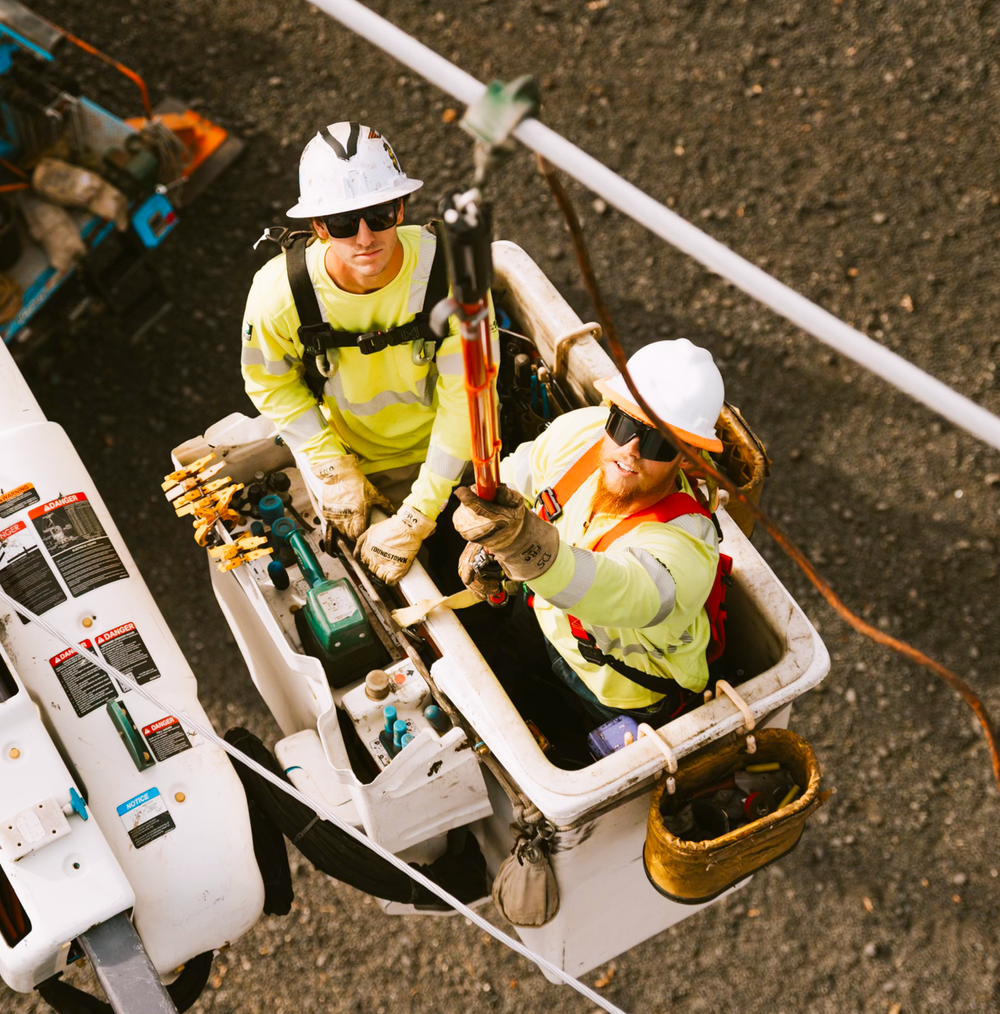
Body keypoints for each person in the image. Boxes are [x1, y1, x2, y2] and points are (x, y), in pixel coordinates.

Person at [241, 121, 497, 584]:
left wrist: (418, 515)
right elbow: (269, 382)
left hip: (457, 458)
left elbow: (470, 403)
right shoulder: (279, 295)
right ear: (317, 227)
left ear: (401, 208)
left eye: (379, 214)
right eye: (342, 223)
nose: (364, 238)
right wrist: (329, 464)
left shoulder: (452, 274)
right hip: (357, 462)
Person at [452, 339, 727, 724]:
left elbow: (616, 588)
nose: (630, 449)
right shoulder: (581, 436)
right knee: (511, 666)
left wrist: (518, 545)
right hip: (544, 620)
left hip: (617, 689)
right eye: (625, 423)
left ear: (686, 456)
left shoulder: (685, 547)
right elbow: (517, 475)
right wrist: (489, 538)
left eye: (658, 443)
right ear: (610, 413)